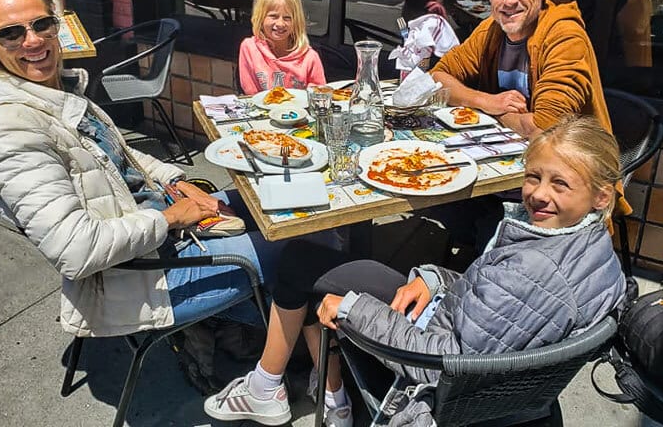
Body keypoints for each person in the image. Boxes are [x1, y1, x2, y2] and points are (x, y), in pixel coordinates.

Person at [204, 115, 628, 427]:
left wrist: (353, 310)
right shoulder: (594, 253)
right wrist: (434, 278)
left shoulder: (535, 269)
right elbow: (500, 303)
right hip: (475, 356)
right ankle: (319, 393)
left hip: (431, 381)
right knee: (319, 268)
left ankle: (286, 392)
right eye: (533, 176)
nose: (538, 194)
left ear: (600, 196)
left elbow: (443, 363)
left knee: (306, 268)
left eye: (560, 184)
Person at [0, 0, 282, 338]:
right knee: (302, 247)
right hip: (140, 280)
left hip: (156, 227)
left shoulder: (50, 92)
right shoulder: (7, 130)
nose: (33, 41)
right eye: (11, 34)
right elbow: (76, 251)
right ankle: (266, 376)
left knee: (276, 200)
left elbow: (118, 159)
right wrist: (170, 218)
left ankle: (262, 322)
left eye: (42, 24)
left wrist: (177, 181)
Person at [430, 0, 614, 141]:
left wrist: (498, 112)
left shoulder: (565, 36)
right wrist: (487, 101)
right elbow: (437, 77)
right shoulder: (491, 29)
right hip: (515, 149)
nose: (509, 1)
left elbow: (544, 129)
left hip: (575, 160)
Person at [238, 0, 326, 95]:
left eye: (287, 18)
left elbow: (319, 96)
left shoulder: (310, 58)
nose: (280, 23)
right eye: (273, 16)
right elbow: (250, 93)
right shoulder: (249, 48)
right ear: (260, 18)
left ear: (296, 21)